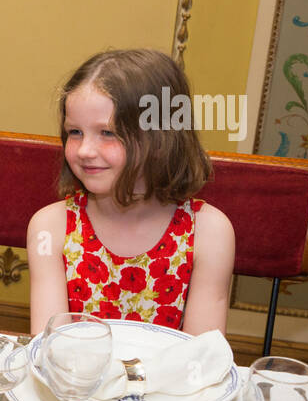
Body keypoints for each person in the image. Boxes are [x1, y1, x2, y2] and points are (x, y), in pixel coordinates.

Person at [26, 49, 235, 335]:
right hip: (78, 377)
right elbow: (50, 347)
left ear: (163, 139)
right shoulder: (50, 227)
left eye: (108, 133)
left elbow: (202, 359)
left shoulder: (209, 232)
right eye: (75, 132)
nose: (85, 150)